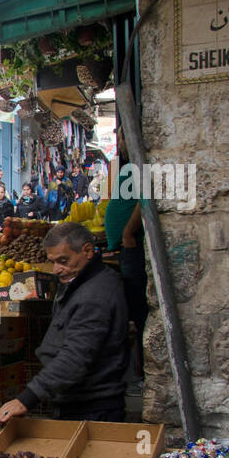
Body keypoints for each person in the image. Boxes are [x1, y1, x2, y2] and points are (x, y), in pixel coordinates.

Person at [0, 222, 130, 427]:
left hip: (93, 409)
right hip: (76, 402)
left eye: (63, 261)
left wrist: (27, 399)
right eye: (53, 262)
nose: (57, 269)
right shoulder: (79, 282)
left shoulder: (95, 294)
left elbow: (75, 357)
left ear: (87, 251)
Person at [105, 153, 147, 391]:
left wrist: (128, 233)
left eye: (121, 137)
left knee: (138, 312)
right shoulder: (132, 166)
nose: (119, 142)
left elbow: (147, 198)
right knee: (134, 310)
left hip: (132, 247)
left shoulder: (142, 165)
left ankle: (143, 375)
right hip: (125, 247)